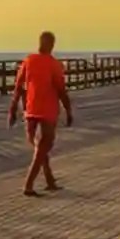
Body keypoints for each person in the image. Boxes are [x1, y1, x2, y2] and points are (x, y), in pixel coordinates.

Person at [8, 31, 73, 197]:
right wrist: (68, 110)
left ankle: (50, 181)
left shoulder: (29, 61)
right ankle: (28, 185)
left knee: (39, 147)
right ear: (51, 45)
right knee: (43, 147)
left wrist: (12, 110)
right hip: (48, 111)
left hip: (30, 109)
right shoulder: (54, 64)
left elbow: (18, 86)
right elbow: (61, 90)